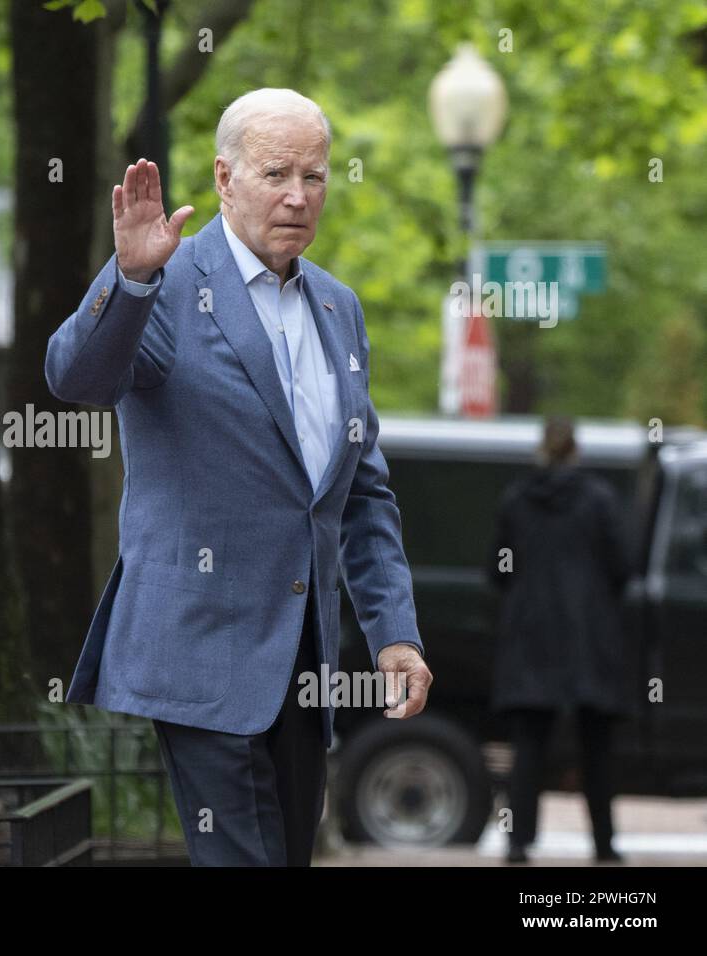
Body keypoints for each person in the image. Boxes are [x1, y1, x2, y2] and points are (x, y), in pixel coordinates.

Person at [46, 88, 433, 866]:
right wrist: (129, 280)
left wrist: (394, 632)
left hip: (305, 653)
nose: (297, 195)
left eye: (315, 177)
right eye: (276, 173)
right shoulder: (166, 282)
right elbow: (76, 379)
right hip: (200, 646)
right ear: (225, 179)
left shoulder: (339, 308)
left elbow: (360, 492)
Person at [488, 415, 632, 864]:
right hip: (589, 640)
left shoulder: (516, 500)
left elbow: (498, 570)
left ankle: (517, 843)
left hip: (531, 639)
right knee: (597, 750)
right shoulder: (600, 500)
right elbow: (622, 568)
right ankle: (605, 845)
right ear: (576, 452)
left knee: (527, 748)